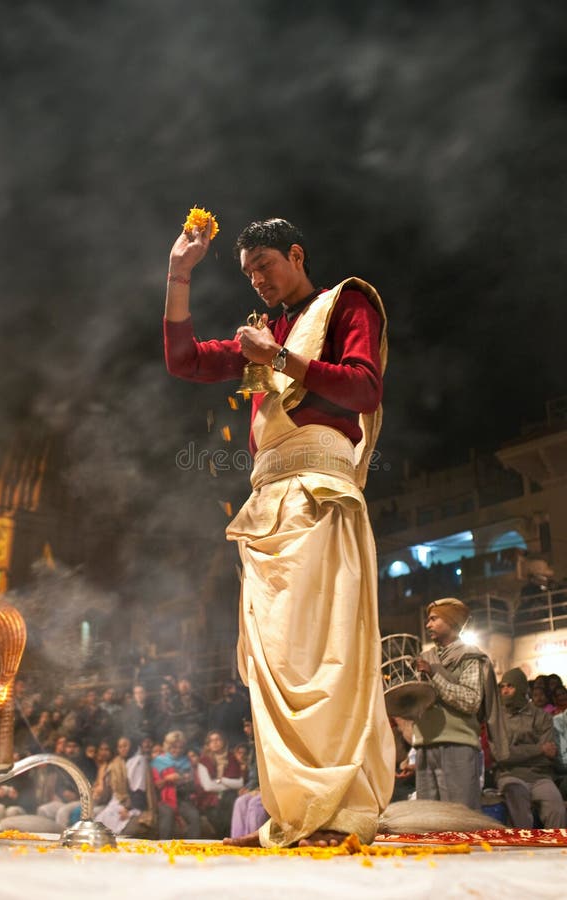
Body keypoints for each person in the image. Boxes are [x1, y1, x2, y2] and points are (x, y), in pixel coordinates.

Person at [163, 215, 395, 847]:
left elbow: (365, 389)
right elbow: (183, 360)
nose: (258, 279)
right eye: (247, 273)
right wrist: (180, 274)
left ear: (297, 253)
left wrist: (283, 358)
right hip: (268, 505)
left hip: (320, 493)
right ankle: (294, 811)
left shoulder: (343, 302)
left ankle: (341, 809)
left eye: (265, 264)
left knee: (325, 656)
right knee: (278, 663)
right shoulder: (261, 336)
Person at [413, 598, 508, 810]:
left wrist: (433, 676)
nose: (428, 625)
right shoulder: (426, 657)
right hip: (425, 746)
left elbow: (470, 701)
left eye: (434, 619)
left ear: (452, 621)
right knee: (427, 821)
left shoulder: (470, 657)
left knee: (459, 817)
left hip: (457, 745)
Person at [497, 667, 566, 827]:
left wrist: (518, 753)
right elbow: (502, 755)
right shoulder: (498, 718)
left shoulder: (542, 717)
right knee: (519, 808)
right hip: (510, 775)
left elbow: (548, 756)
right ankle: (524, 850)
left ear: (521, 688)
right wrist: (539, 749)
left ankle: (559, 850)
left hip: (540, 777)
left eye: (510, 686)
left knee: (557, 809)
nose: (505, 691)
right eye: (503, 686)